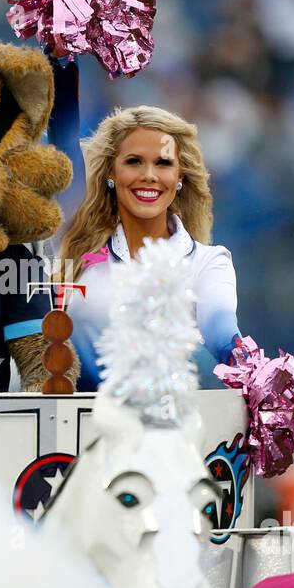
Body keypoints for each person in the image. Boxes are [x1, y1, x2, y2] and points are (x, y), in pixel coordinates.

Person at [58, 106, 239, 391]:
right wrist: (63, 65)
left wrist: (254, 374)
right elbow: (62, 136)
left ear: (180, 177)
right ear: (111, 173)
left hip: (171, 429)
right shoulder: (78, 255)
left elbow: (222, 331)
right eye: (134, 162)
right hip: (79, 429)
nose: (149, 175)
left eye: (163, 163)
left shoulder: (209, 262)